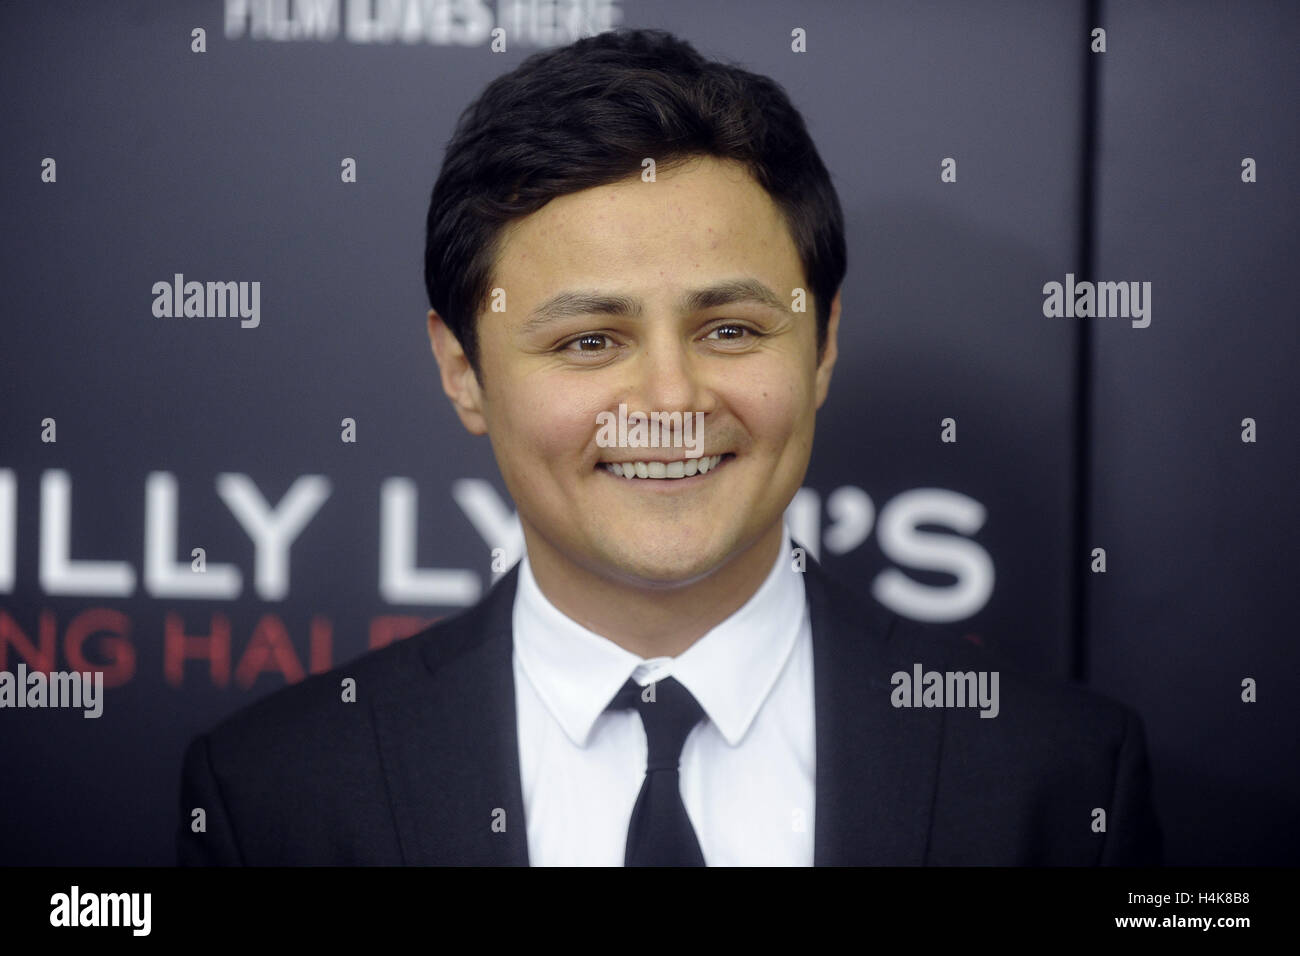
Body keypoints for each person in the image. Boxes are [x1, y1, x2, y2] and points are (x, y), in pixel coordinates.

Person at [177, 27, 1161, 866]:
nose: (668, 399)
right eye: (588, 340)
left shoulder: (1059, 777)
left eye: (729, 328)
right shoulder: (271, 795)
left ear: (821, 346)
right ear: (463, 371)